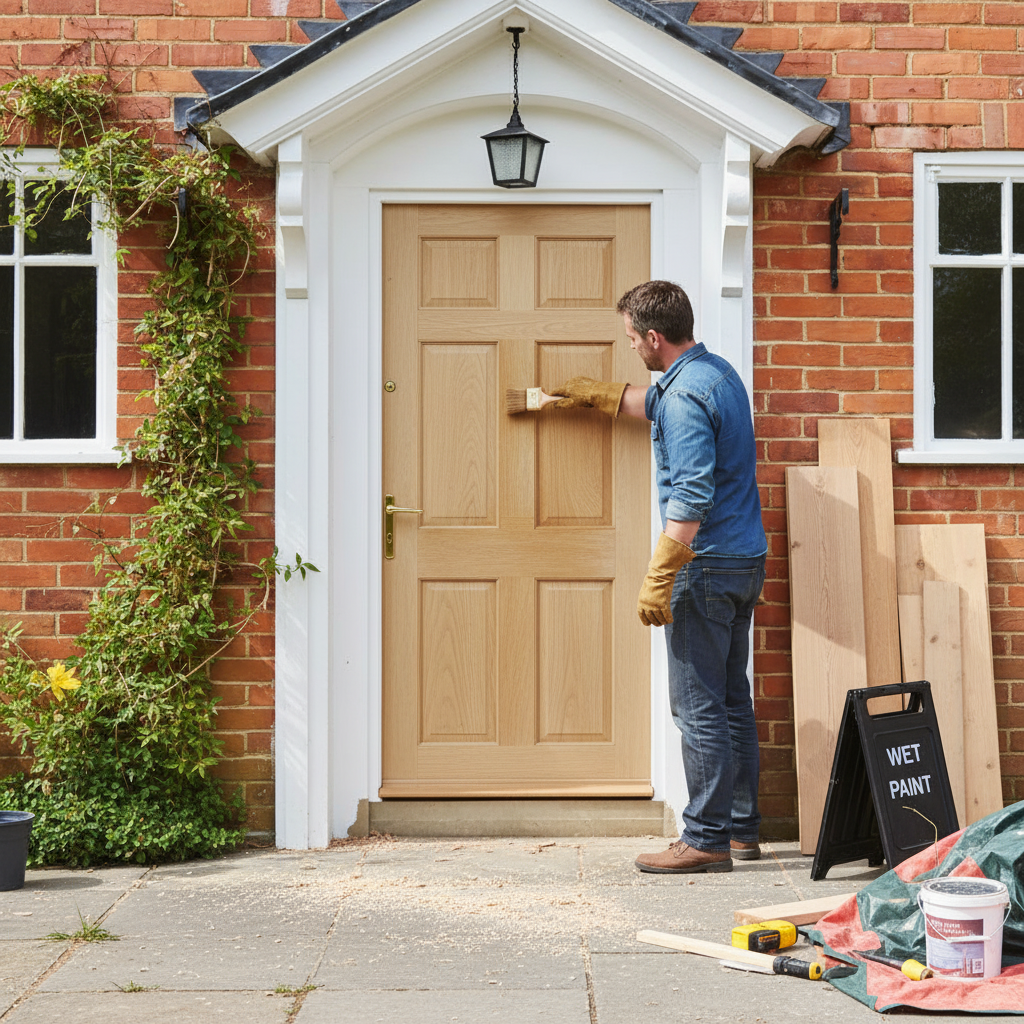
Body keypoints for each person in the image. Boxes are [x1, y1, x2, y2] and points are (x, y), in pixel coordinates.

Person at [552, 280, 767, 874]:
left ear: (653, 337)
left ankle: (703, 840)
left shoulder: (683, 397)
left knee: (697, 705)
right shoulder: (715, 374)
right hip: (743, 561)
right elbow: (658, 403)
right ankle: (741, 829)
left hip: (702, 567)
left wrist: (659, 574)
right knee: (729, 701)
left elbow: (692, 491)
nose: (630, 348)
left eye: (631, 339)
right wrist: (599, 397)